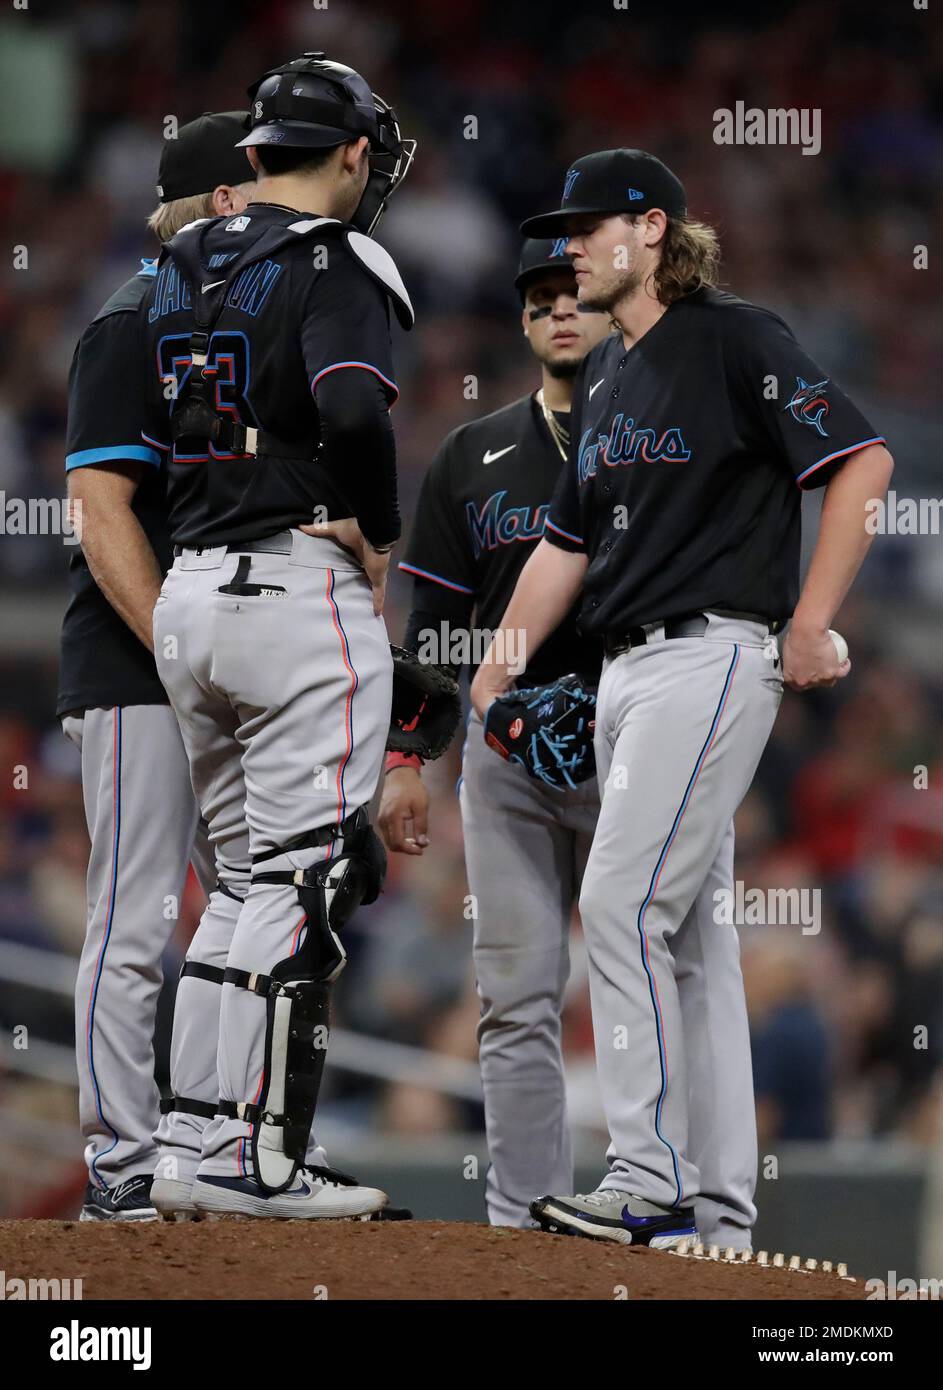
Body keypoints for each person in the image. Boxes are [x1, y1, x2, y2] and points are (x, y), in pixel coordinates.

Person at [471, 148, 894, 1250]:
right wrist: (495, 664)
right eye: (562, 232)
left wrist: (807, 619)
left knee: (618, 905)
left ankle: (645, 1176)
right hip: (625, 671)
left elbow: (859, 461)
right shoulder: (609, 374)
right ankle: (719, 1217)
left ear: (653, 229)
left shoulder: (733, 336)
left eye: (592, 226)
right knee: (695, 941)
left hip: (709, 658)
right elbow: (562, 544)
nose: (571, 247)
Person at [140, 53, 415, 1220]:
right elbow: (351, 404)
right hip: (294, 589)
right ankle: (253, 1158)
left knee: (245, 882)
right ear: (352, 152)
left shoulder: (174, 261)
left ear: (253, 154)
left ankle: (190, 1140)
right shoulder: (338, 257)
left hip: (189, 588)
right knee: (304, 880)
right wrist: (381, 532)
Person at [379, 239, 610, 1226]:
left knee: (656, 976)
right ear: (522, 322)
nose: (559, 312)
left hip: (632, 735)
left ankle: (670, 1197)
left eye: (578, 296)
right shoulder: (473, 455)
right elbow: (430, 621)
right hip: (503, 747)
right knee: (515, 992)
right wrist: (405, 758)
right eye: (541, 300)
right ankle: (525, 1222)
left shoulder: (663, 443)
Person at [59, 113, 255, 1222]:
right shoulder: (132, 323)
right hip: (137, 669)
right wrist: (178, 653)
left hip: (221, 669)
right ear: (226, 201)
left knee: (245, 903)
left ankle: (215, 1145)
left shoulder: (243, 321)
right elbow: (98, 510)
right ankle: (119, 1161)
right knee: (136, 918)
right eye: (264, 183)